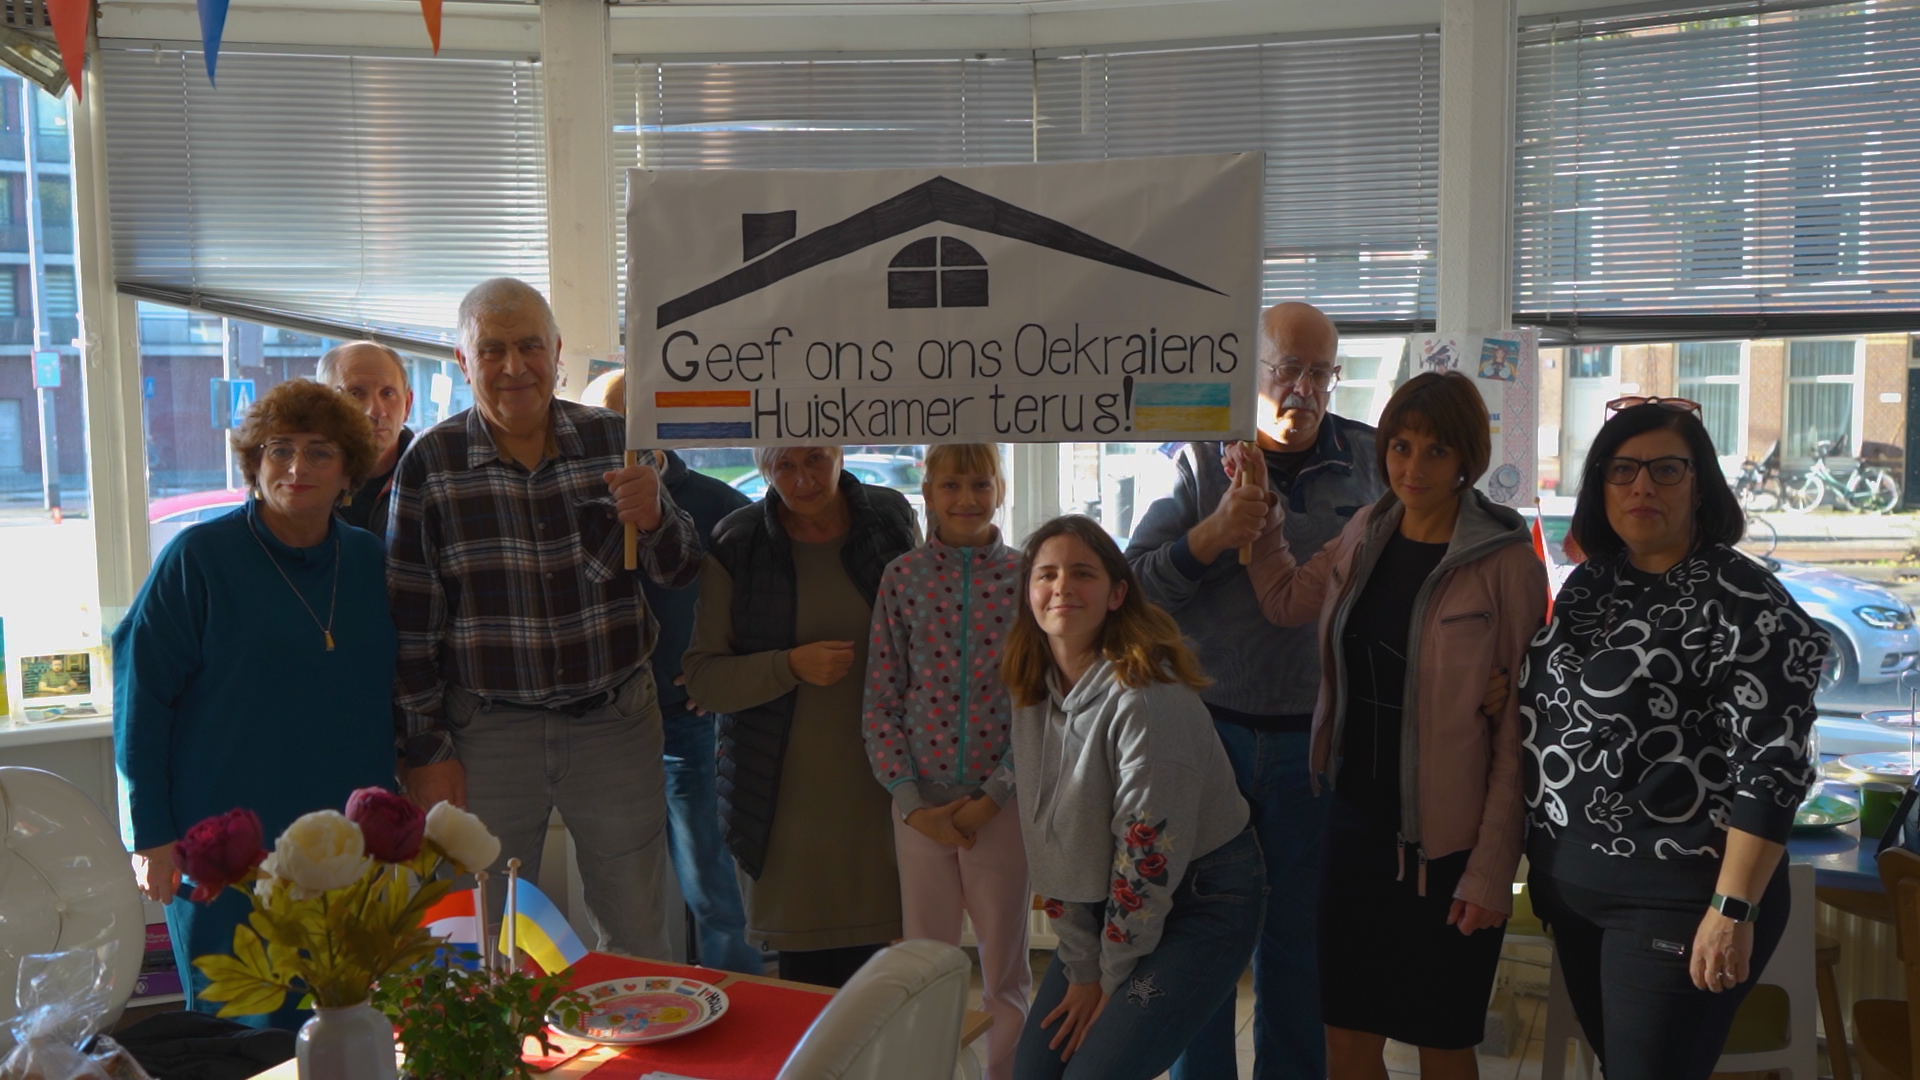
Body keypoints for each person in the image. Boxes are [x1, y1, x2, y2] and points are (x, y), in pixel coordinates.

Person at [1244, 372, 1547, 1080]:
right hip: (1353, 828)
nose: (1412, 467)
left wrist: (1491, 868)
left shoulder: (1504, 563)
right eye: (1402, 446)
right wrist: (1257, 517)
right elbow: (1287, 598)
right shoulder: (1366, 530)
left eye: (1435, 451)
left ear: (1467, 458)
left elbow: (1519, 739)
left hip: (1448, 850)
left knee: (1441, 1043)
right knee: (1347, 1042)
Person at [388, 278, 701, 959]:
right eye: (491, 350)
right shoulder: (430, 466)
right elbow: (411, 628)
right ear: (462, 361)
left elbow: (678, 572)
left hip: (615, 726)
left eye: (530, 345)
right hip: (486, 736)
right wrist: (426, 751)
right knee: (473, 938)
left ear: (557, 352)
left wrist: (656, 518)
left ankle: (629, 1062)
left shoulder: (615, 439)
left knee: (638, 930)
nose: (513, 366)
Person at [1519, 398, 1827, 1080]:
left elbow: (1772, 768)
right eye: (1622, 470)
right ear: (1600, 487)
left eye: (1665, 469)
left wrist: (1732, 908)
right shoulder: (1591, 585)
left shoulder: (1744, 599)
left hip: (1679, 896)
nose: (1641, 487)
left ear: (1700, 484)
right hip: (1572, 886)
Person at [1124, 300, 1382, 1080]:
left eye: (1319, 372)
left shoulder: (1375, 461)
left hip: (1317, 741)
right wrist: (1208, 539)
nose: (1301, 389)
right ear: (1250, 372)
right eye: (1285, 370)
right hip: (1207, 741)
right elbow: (1131, 596)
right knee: (1199, 941)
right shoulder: (1196, 459)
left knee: (1299, 945)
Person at [116, 379, 395, 1029]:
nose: (297, 468)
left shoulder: (365, 560)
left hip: (344, 840)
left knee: (350, 1017)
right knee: (240, 1029)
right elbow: (142, 701)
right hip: (228, 849)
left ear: (349, 468)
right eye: (279, 450)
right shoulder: (198, 559)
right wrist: (151, 836)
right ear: (253, 462)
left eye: (320, 451)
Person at [1005, 515, 1261, 1080]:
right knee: (1033, 1074)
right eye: (1046, 574)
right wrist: (1080, 966)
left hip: (1204, 900)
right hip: (1107, 898)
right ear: (1028, 595)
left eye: (1082, 573)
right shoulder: (1031, 693)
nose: (1063, 587)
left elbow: (1147, 862)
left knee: (1095, 1073)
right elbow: (1049, 841)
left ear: (1118, 593)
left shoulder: (1146, 697)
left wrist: (1107, 982)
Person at [682, 445, 918, 988]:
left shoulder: (891, 520)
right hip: (782, 797)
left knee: (885, 981)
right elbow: (704, 678)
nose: (803, 479)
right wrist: (789, 665)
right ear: (763, 468)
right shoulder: (737, 541)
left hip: (884, 786)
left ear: (839, 453)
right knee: (807, 983)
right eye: (784, 465)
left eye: (814, 459)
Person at [585, 369, 762, 974]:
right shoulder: (580, 503)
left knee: (713, 892)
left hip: (689, 729)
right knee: (620, 902)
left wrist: (728, 674)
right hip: (603, 726)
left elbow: (764, 608)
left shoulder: (720, 505)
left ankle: (738, 1024)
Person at [862, 443, 1029, 1080]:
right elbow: (880, 699)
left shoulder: (1024, 576)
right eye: (952, 485)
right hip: (921, 810)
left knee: (1005, 972)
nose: (966, 499)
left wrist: (996, 794)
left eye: (980, 485)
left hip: (1002, 808)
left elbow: (1038, 704)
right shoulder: (901, 578)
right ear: (927, 493)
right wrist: (911, 804)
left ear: (1000, 491)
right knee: (924, 971)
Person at [316, 340, 415, 537]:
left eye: (388, 393)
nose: (376, 411)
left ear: (408, 405)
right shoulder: (302, 478)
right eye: (355, 394)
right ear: (325, 406)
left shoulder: (436, 475)